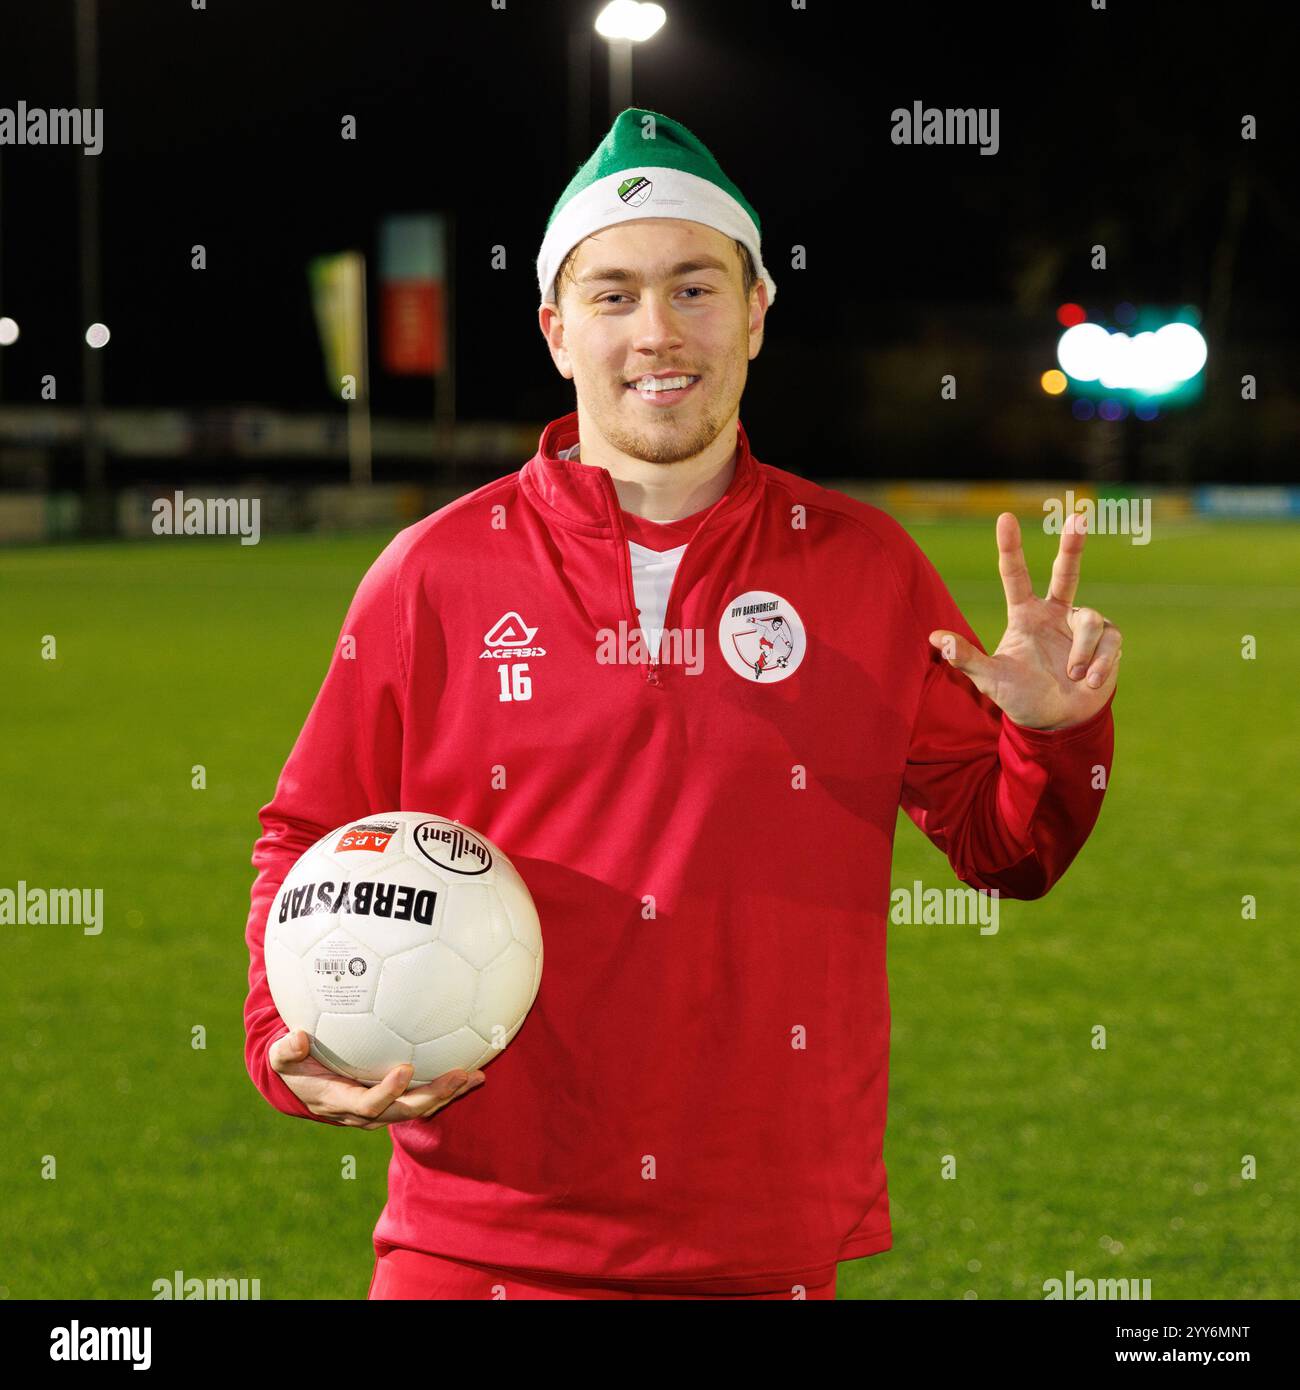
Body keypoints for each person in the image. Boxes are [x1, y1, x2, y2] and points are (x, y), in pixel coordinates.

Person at [243, 108, 1121, 1301]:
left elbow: (1008, 850)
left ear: (757, 309)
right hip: (476, 1234)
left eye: (694, 286)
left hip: (758, 1238)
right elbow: (306, 834)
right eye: (611, 296)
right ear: (557, 330)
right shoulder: (433, 573)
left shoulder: (863, 569)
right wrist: (280, 1040)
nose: (657, 332)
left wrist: (1052, 738)